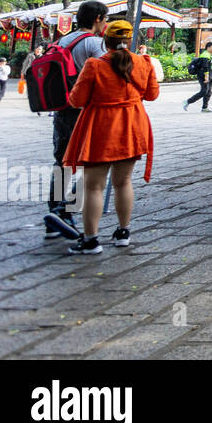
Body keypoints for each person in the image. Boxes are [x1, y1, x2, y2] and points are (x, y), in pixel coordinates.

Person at [59, 21, 160, 254]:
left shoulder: (95, 65)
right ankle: (123, 232)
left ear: (106, 41)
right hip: (133, 126)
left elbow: (77, 100)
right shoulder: (144, 63)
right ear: (130, 39)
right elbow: (152, 95)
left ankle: (91, 240)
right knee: (123, 181)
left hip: (101, 128)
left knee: (94, 186)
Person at [42, 0, 108, 241]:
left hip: (62, 110)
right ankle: (65, 211)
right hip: (86, 111)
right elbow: (104, 74)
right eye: (105, 19)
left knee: (62, 163)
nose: (106, 23)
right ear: (98, 18)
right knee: (93, 165)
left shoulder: (62, 41)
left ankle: (53, 216)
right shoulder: (94, 44)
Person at [183, 41, 212, 112]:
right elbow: (205, 67)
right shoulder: (205, 55)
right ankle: (188, 101)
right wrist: (206, 77)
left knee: (209, 92)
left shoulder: (208, 55)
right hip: (203, 76)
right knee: (204, 91)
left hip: (208, 76)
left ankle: (204, 108)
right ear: (208, 47)